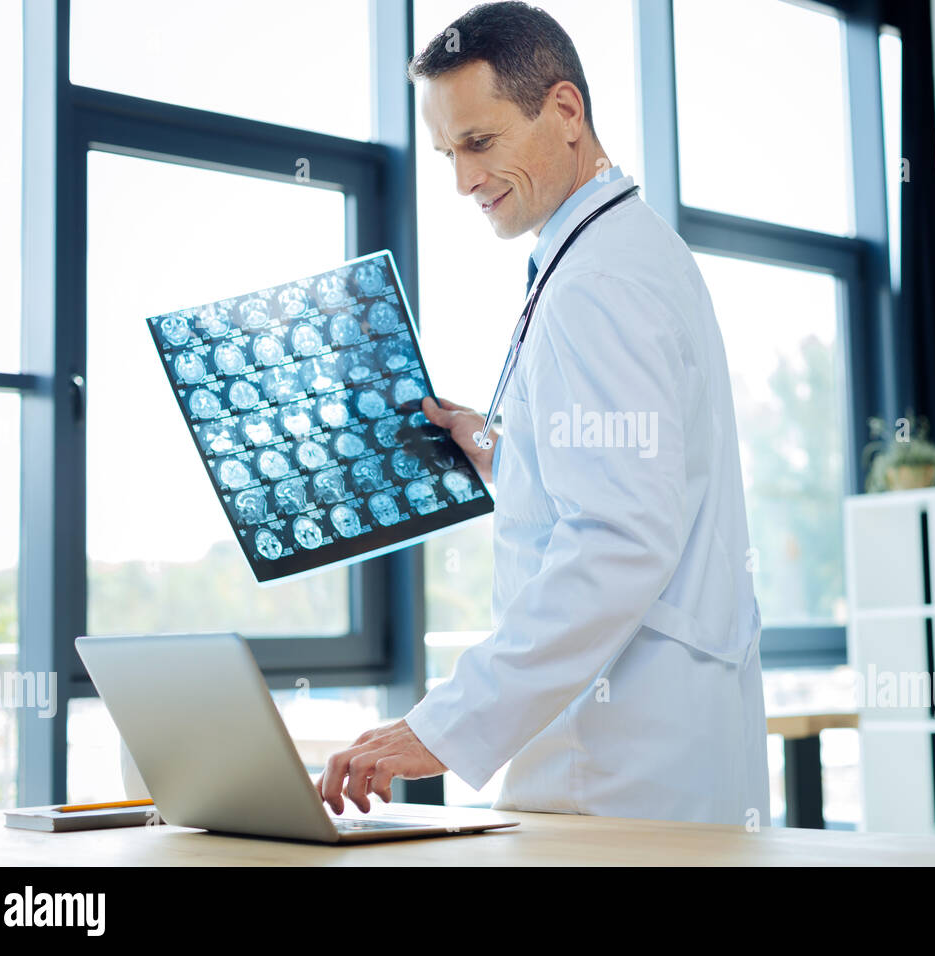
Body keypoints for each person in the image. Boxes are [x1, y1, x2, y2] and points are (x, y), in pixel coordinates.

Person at [317, 1, 768, 826]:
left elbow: (619, 538)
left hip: (621, 767)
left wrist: (446, 727)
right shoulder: (614, 252)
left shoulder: (598, 281)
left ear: (565, 111)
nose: (461, 180)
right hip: (647, 756)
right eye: (448, 152)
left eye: (480, 143)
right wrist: (502, 452)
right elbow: (632, 478)